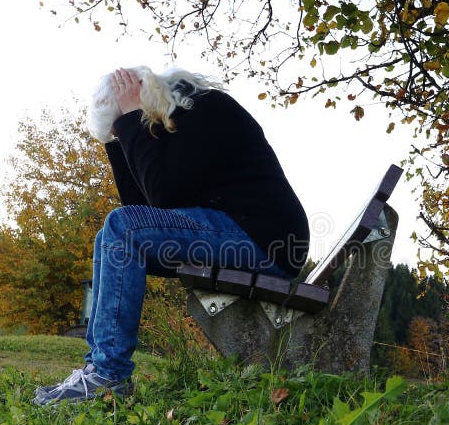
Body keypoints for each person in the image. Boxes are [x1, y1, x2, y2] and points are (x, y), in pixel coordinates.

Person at [33, 66, 309, 404]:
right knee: (110, 232)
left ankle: (109, 373)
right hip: (237, 234)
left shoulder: (204, 108)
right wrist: (119, 143)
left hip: (266, 240)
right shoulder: (168, 125)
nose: (126, 133)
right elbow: (142, 208)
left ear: (142, 101)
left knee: (121, 226)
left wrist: (130, 117)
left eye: (124, 126)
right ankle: (98, 370)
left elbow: (163, 200)